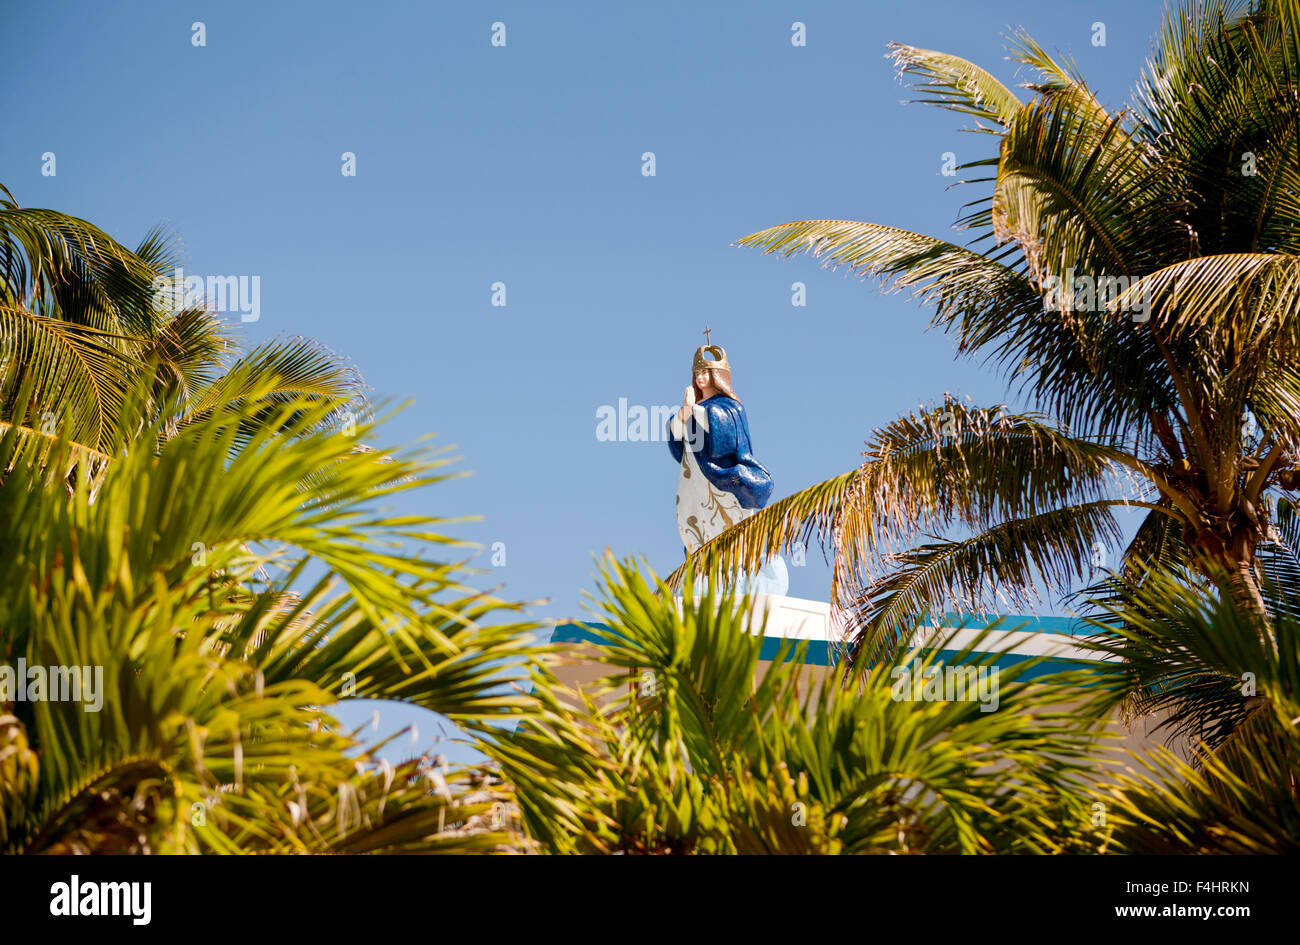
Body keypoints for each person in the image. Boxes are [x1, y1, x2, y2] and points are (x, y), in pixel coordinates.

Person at [666, 343, 788, 595]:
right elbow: (676, 434)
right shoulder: (692, 407)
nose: (700, 378)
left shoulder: (729, 407)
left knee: (729, 529)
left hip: (719, 476)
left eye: (705, 373)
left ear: (717, 376)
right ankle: (705, 574)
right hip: (694, 478)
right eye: (697, 373)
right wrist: (685, 412)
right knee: (695, 524)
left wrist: (696, 412)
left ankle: (742, 575)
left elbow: (728, 435)